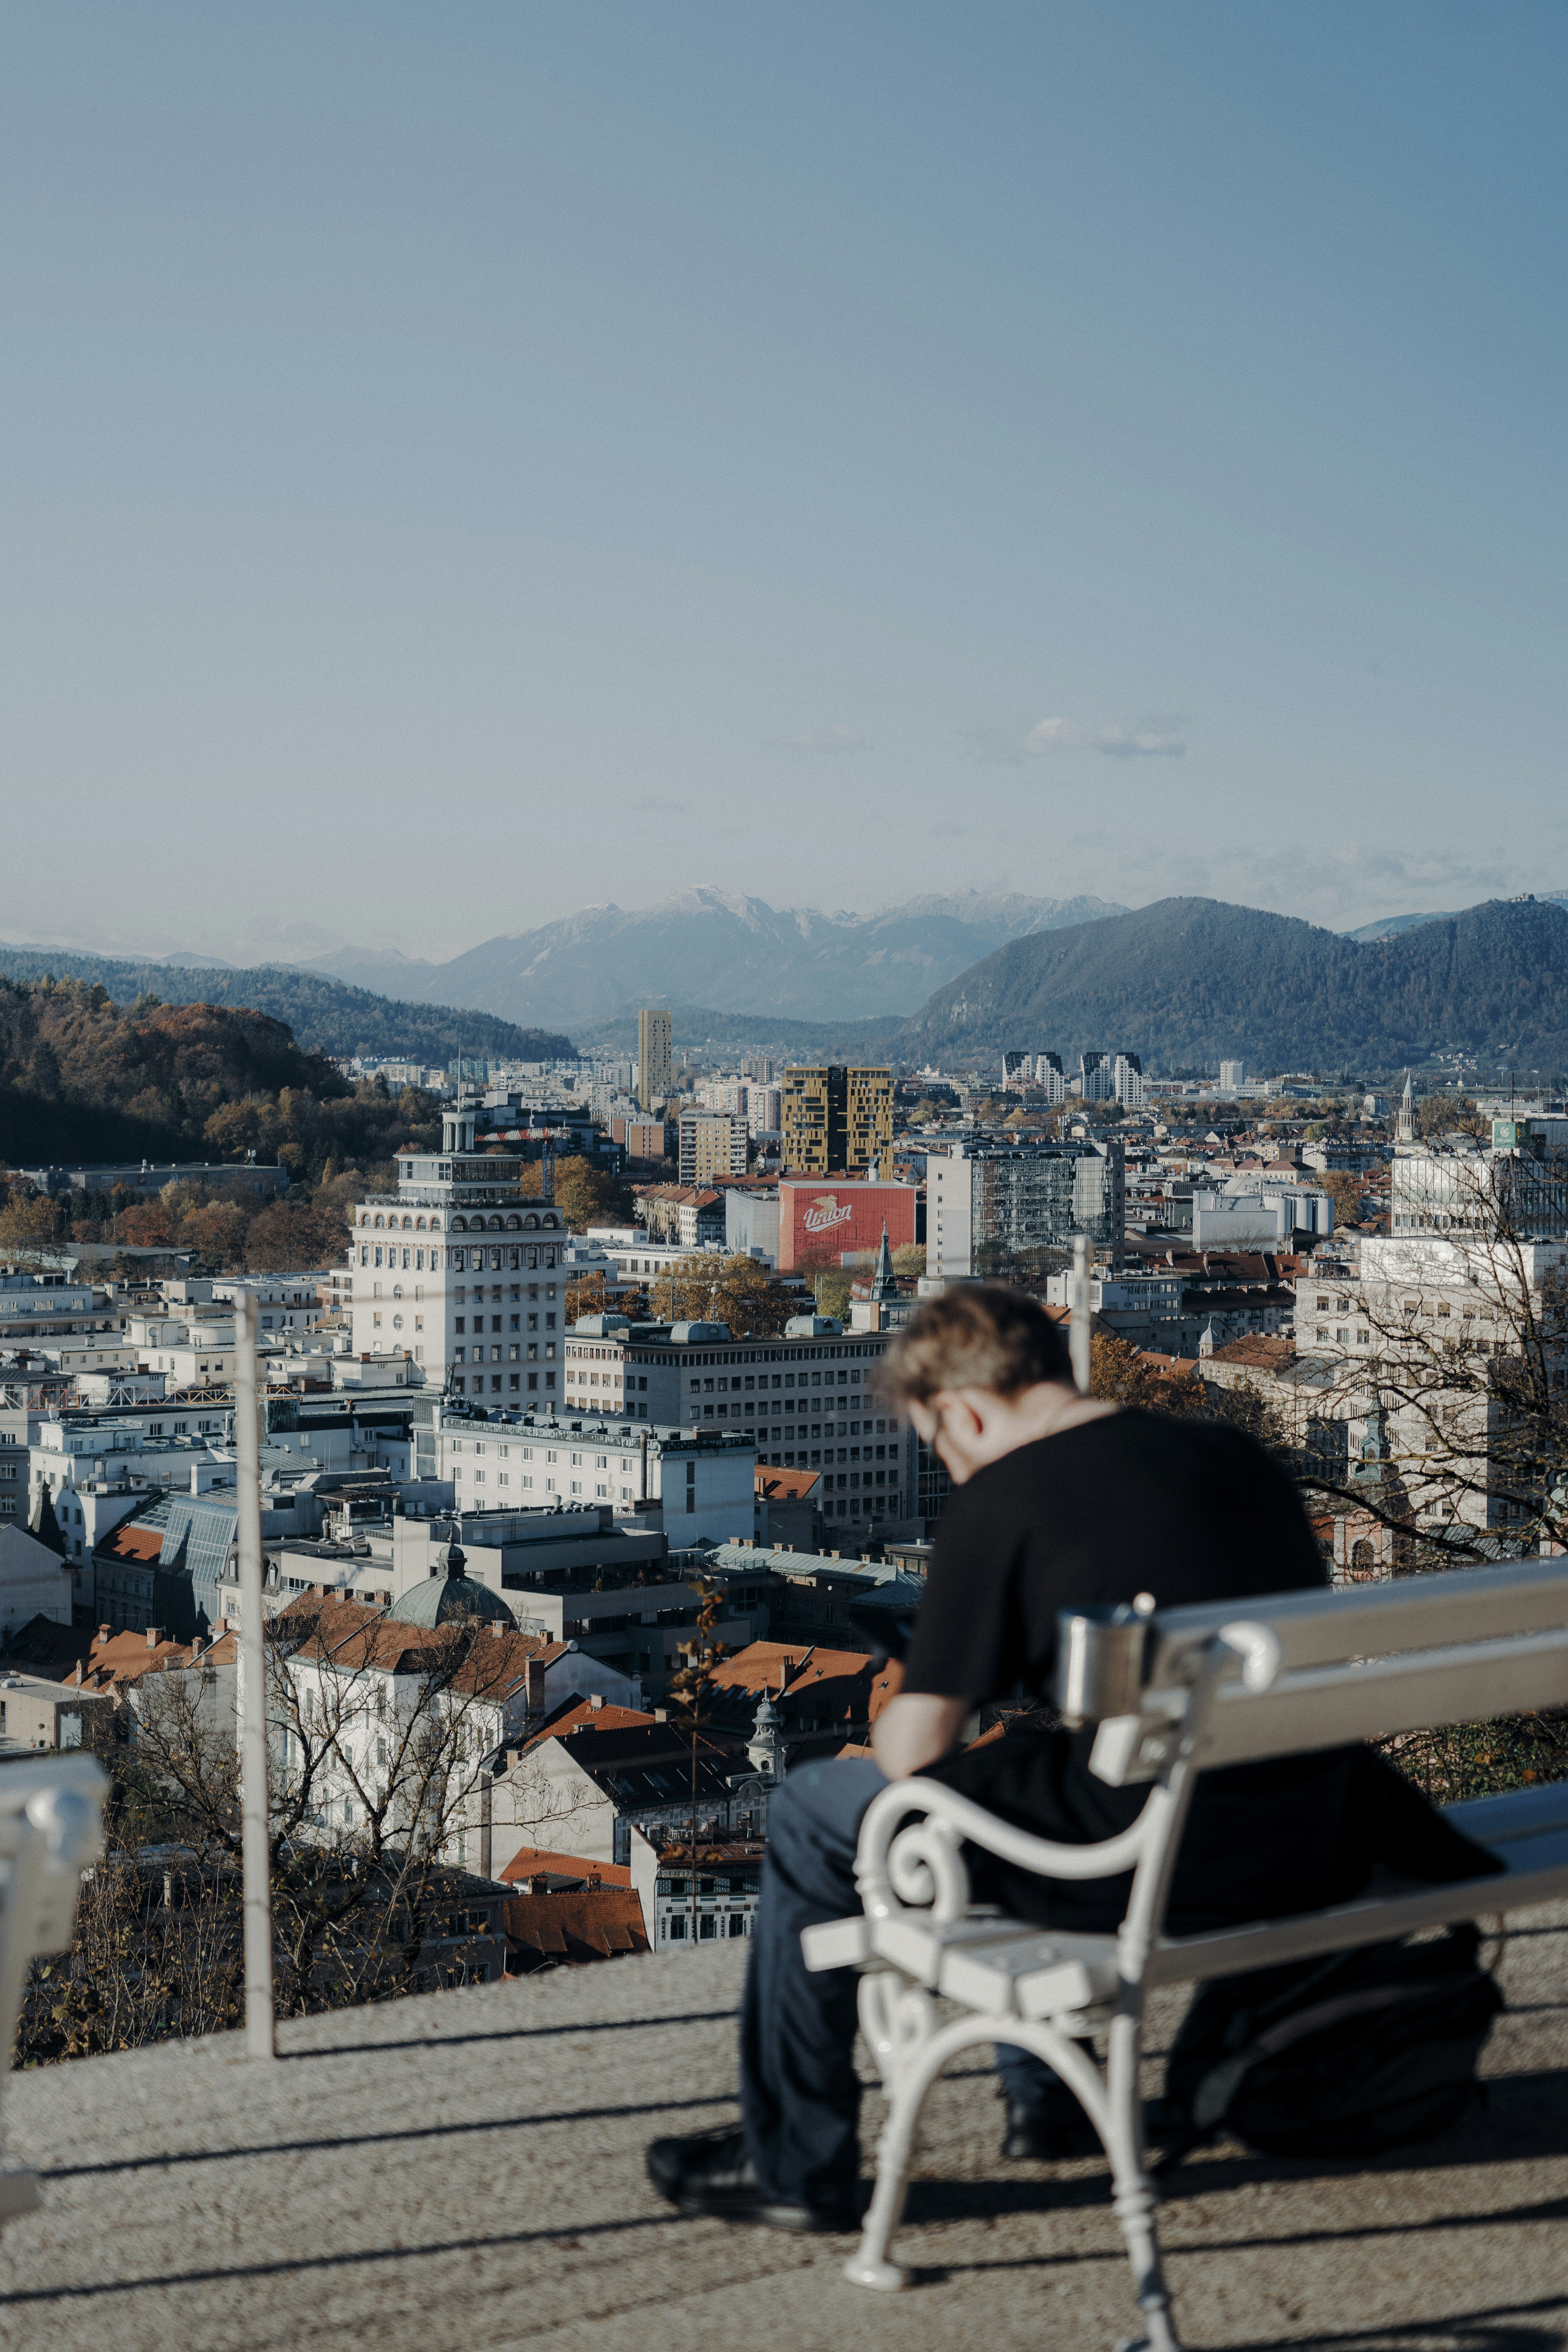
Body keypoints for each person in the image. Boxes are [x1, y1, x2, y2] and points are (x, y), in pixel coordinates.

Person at [644, 1284, 1434, 2230]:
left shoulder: (1008, 1497)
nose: (952, 1464)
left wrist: (930, 1657)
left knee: (825, 1803)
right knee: (1018, 1770)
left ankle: (795, 2159)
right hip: (1306, 1833)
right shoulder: (1239, 1458)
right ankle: (1046, 2102)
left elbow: (911, 1754)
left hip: (1142, 1863)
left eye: (941, 1445)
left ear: (964, 1409)